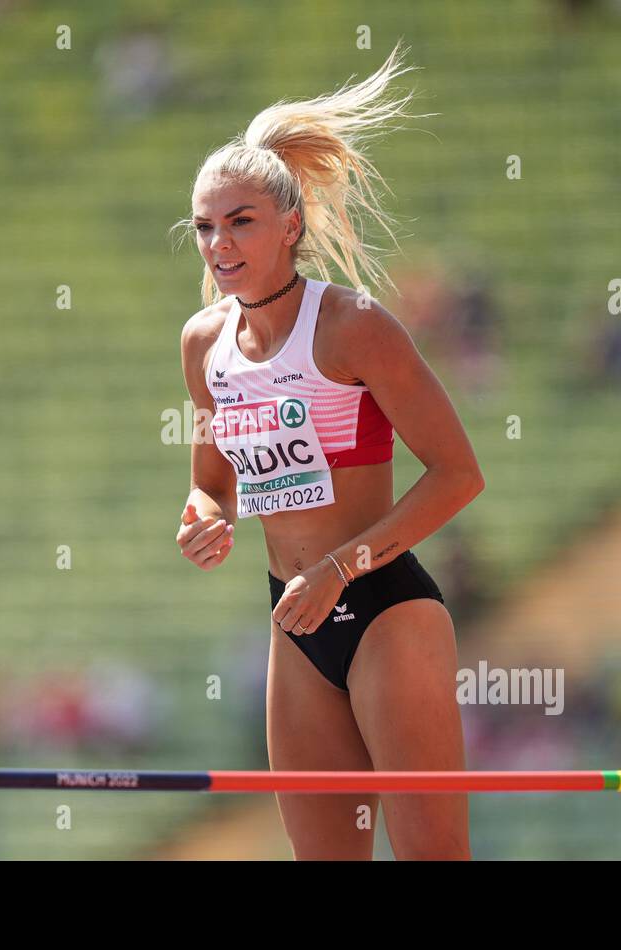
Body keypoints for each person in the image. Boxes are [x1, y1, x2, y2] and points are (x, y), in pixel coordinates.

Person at [173, 44, 484, 860]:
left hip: (384, 611)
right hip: (294, 623)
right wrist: (204, 518)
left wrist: (340, 567)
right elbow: (212, 486)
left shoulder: (352, 326)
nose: (219, 243)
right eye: (205, 226)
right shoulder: (204, 344)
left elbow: (459, 474)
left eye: (240, 222)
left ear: (291, 224)